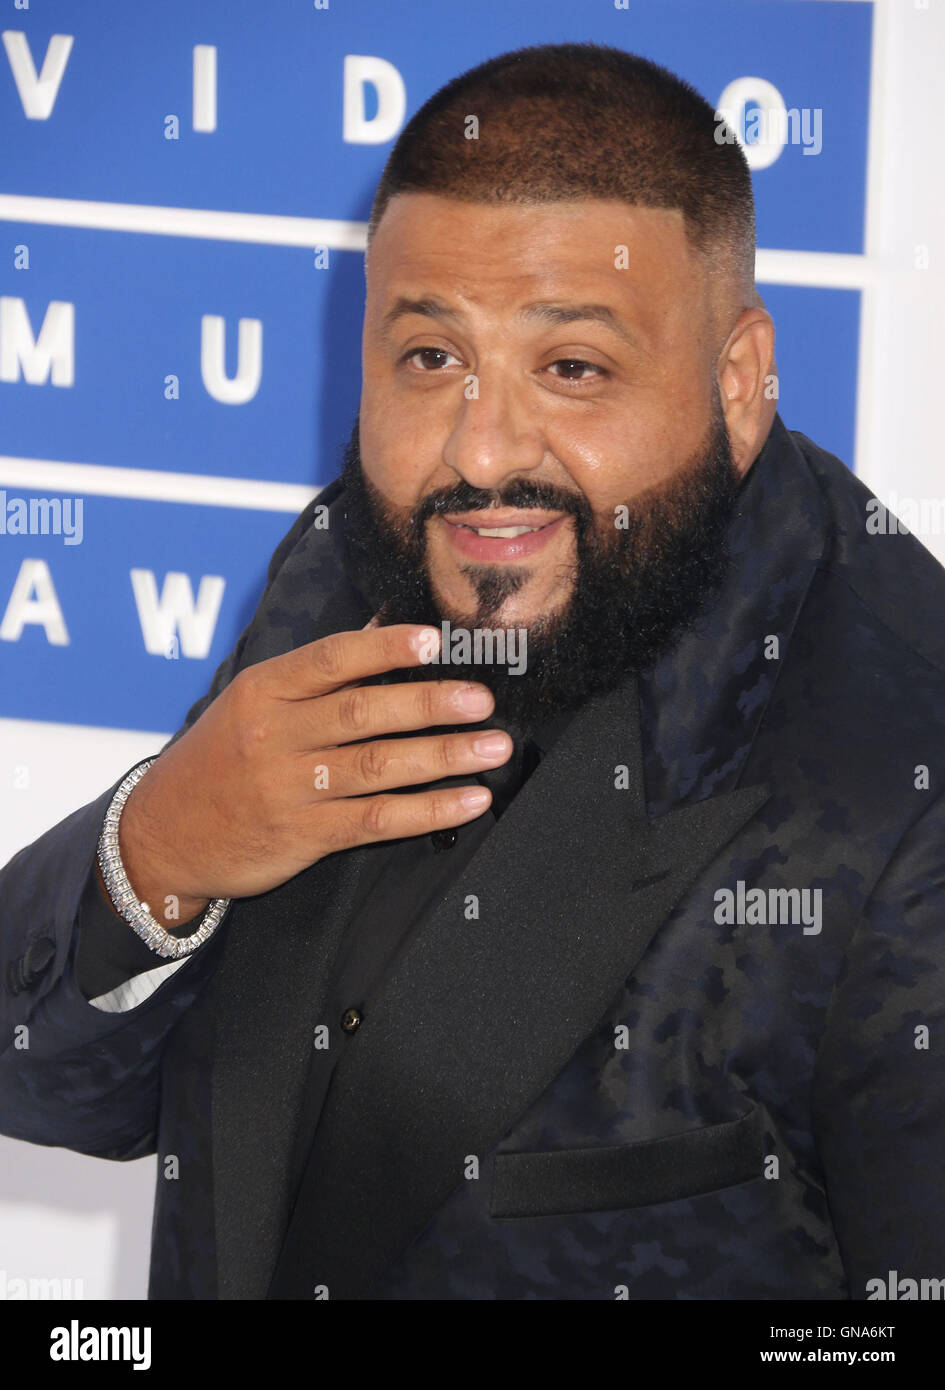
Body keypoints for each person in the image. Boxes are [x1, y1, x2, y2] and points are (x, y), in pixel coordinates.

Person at [2, 42, 944, 1302]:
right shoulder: (355, 556)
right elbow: (50, 1080)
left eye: (573, 368)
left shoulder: (906, 786)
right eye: (431, 357)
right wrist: (159, 851)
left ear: (736, 384)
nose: (480, 450)